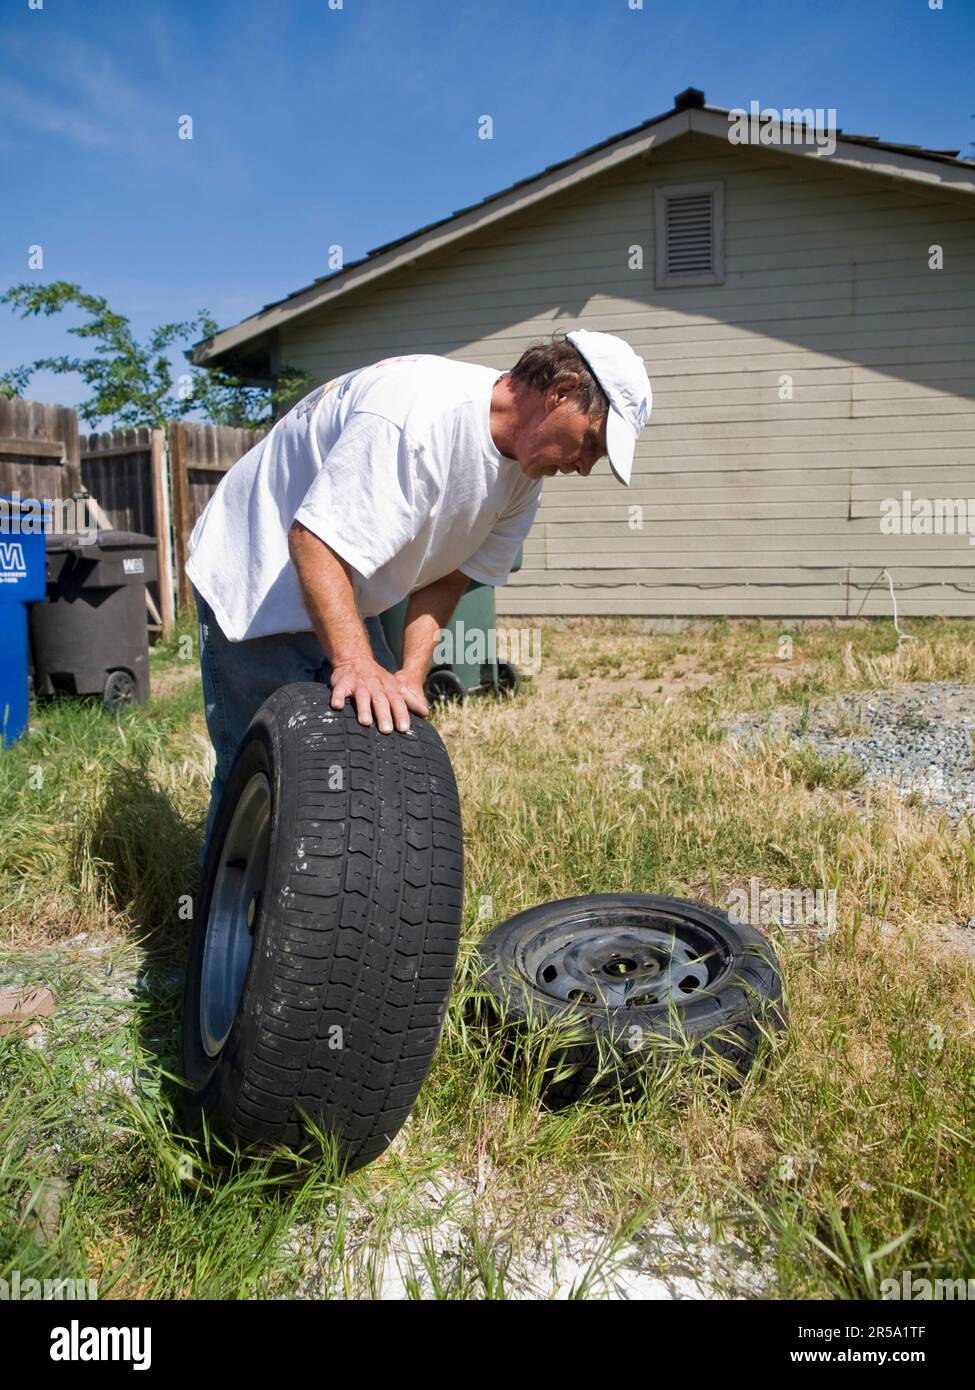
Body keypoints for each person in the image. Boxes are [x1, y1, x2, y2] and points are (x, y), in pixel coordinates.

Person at [186, 329, 653, 839]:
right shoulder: (417, 417)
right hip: (257, 572)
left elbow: (453, 576)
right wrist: (355, 662)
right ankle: (225, 912)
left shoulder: (524, 479)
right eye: (592, 443)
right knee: (263, 774)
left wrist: (409, 673)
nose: (585, 468)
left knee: (378, 751)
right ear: (561, 391)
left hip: (342, 584)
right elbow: (311, 542)